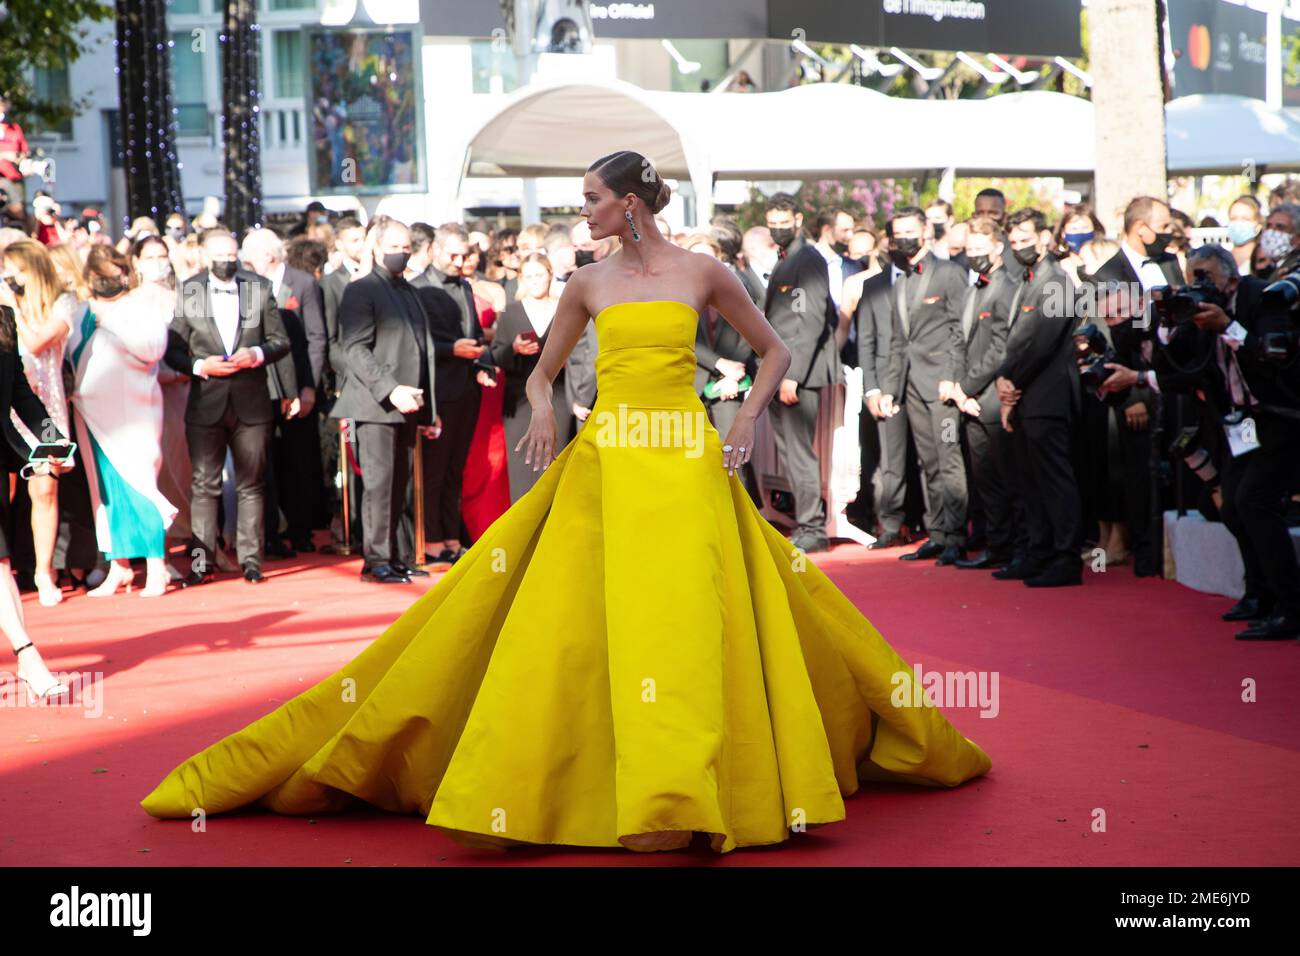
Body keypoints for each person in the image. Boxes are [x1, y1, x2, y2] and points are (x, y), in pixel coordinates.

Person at [140, 148, 991, 854]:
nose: (579, 210)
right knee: (579, 619)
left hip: (686, 458)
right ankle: (592, 779)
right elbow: (544, 370)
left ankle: (685, 789)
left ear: (628, 203)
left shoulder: (705, 271)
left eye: (590, 199)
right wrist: (543, 409)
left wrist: (742, 431)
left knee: (689, 616)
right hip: (609, 460)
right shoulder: (587, 283)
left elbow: (773, 353)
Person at [163, 228, 293, 586]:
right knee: (204, 485)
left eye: (232, 256)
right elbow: (173, 349)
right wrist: (200, 366)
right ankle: (202, 563)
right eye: (220, 257)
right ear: (205, 256)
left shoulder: (258, 287)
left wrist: (256, 354)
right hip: (206, 401)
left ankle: (252, 560)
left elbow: (281, 341)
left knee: (252, 484)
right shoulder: (189, 290)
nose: (226, 263)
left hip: (251, 403)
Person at [330, 219, 440, 584]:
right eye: (395, 245)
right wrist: (390, 388)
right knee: (379, 484)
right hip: (376, 404)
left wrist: (430, 410)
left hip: (410, 403)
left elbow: (422, 352)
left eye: (407, 246)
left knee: (402, 484)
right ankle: (375, 560)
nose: (402, 252)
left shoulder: (407, 290)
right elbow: (355, 349)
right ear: (376, 247)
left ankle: (398, 556)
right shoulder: (361, 290)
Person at [70, 239, 177, 597]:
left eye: (113, 275)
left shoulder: (139, 306)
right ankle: (119, 566)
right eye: (100, 276)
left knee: (140, 484)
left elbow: (153, 349)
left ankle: (157, 567)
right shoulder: (81, 310)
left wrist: (112, 323)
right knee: (106, 493)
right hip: (92, 413)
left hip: (134, 412)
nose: (107, 282)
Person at [994, 208, 1083, 587]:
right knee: (1030, 480)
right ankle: (1040, 550)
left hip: (1047, 396)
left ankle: (1066, 557)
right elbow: (1017, 340)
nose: (1019, 248)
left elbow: (1040, 344)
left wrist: (1010, 384)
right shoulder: (1030, 279)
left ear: (1046, 237)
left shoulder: (1056, 281)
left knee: (1054, 480)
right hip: (1027, 396)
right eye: (1013, 243)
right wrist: (1007, 381)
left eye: (1026, 241)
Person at [878, 207, 970, 565]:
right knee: (927, 461)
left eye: (910, 231)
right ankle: (937, 533)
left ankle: (957, 536)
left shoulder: (949, 273)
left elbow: (958, 330)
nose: (904, 239)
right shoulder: (900, 282)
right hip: (912, 386)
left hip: (942, 384)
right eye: (898, 232)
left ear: (926, 233)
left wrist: (952, 376)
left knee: (949, 461)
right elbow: (899, 342)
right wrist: (890, 388)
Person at [0, 303, 73, 700]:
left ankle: (27, 657)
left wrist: (52, 435)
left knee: (1, 559)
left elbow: (19, 394)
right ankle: (28, 656)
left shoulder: (4, 318)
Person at [410, 223, 494, 566]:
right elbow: (414, 343)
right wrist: (451, 350)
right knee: (433, 470)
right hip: (435, 391)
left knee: (455, 468)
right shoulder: (416, 288)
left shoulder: (462, 284)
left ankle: (449, 537)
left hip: (466, 389)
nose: (460, 261)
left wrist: (481, 364)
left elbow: (472, 333)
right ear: (434, 250)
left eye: (465, 255)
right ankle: (429, 541)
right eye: (453, 255)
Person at [762, 192, 841, 553]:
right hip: (784, 368)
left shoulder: (806, 258)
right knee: (790, 451)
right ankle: (806, 522)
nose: (777, 229)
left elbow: (808, 320)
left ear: (797, 220)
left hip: (798, 372)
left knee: (799, 452)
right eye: (772, 223)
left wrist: (792, 373)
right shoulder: (788, 257)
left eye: (783, 223)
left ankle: (813, 527)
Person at [0, 239, 75, 606]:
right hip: (8, 421)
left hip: (41, 411)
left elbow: (24, 376)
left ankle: (43, 573)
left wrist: (53, 436)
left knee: (44, 491)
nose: (8, 277)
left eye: (13, 270)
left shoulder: (54, 306)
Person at [490, 252, 569, 502]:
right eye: (529, 276)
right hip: (520, 401)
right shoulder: (512, 312)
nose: (535, 281)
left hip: (559, 396)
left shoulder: (565, 309)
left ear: (550, 275)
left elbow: (583, 349)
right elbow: (495, 356)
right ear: (522, 278)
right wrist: (513, 348)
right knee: (524, 466)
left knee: (556, 466)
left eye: (540, 275)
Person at [458, 243, 511, 538]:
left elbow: (502, 332)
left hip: (492, 374)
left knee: (493, 450)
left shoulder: (494, 290)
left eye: (470, 254)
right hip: (461, 375)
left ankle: (491, 521)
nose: (466, 260)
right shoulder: (446, 289)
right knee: (466, 452)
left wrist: (476, 336)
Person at [0, 98, 29, 208]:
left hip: (14, 177)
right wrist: (4, 155)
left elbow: (24, 152)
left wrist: (19, 158)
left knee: (20, 212)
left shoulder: (14, 128)